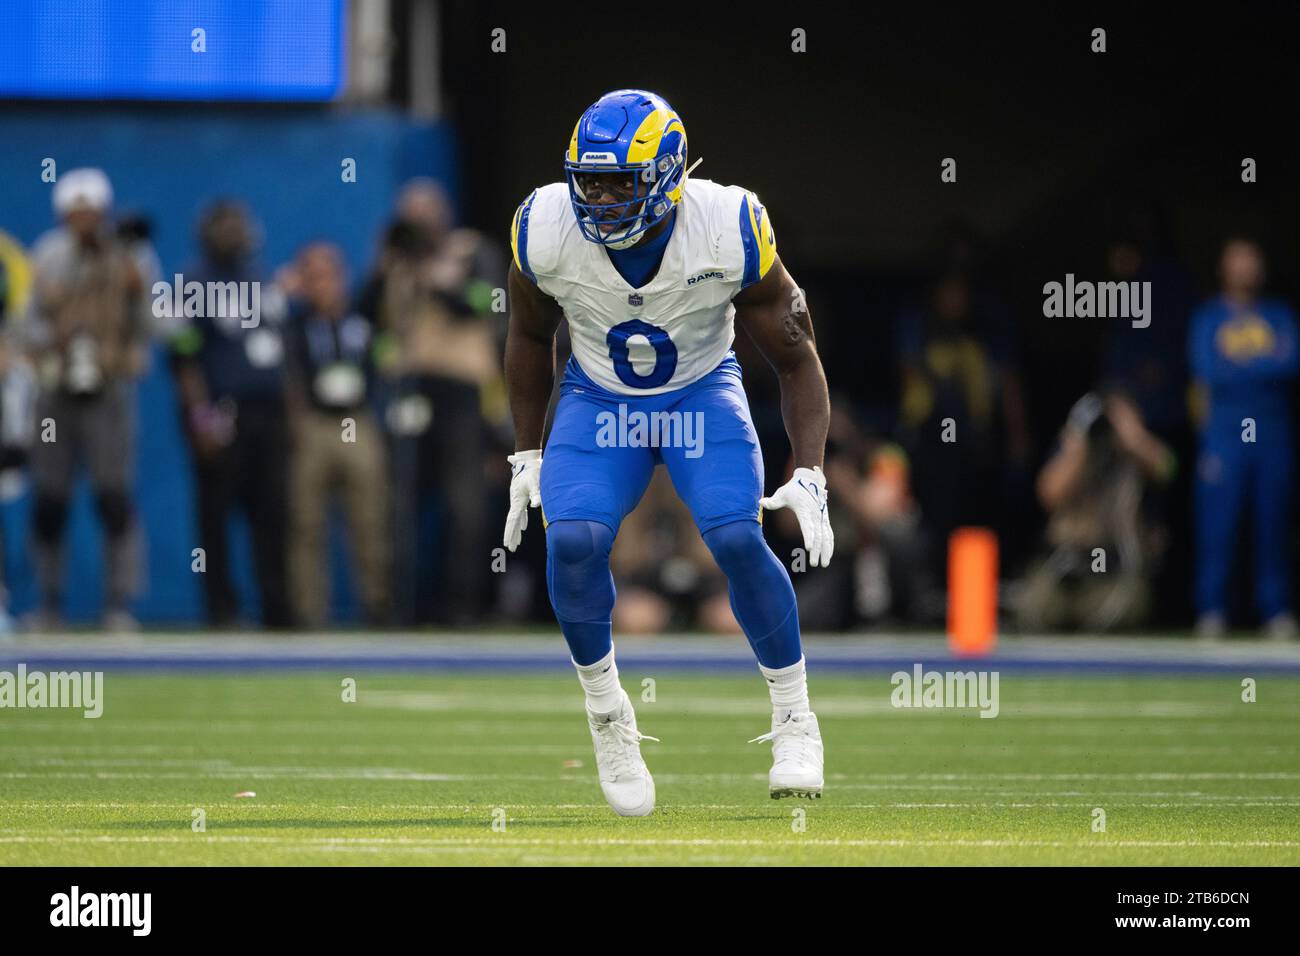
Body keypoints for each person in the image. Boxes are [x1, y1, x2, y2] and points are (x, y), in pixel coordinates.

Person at [502, 90, 833, 815]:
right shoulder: (544, 225)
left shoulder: (729, 225)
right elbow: (529, 337)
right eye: (589, 181)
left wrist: (810, 471)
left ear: (669, 175)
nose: (601, 199)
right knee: (575, 540)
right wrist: (526, 454)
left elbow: (797, 355)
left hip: (698, 394)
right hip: (599, 400)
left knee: (738, 537)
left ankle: (794, 717)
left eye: (621, 180)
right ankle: (609, 716)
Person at [21, 168, 150, 631]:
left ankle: (119, 602)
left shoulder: (130, 257)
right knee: (50, 500)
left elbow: (153, 324)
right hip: (57, 390)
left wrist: (136, 297)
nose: (84, 220)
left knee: (113, 497)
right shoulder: (48, 255)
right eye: (76, 212)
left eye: (91, 212)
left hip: (108, 390)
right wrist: (54, 338)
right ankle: (48, 601)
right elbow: (26, 325)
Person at [170, 200, 294, 628]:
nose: (235, 233)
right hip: (221, 413)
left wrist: (291, 415)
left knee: (273, 512)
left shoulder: (262, 280)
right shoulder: (193, 283)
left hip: (269, 413)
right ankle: (221, 609)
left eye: (239, 224)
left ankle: (277, 607)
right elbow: (183, 360)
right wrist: (201, 418)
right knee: (216, 515)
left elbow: (284, 352)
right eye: (226, 226)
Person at [1189, 238, 1298, 639]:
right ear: (1223, 268)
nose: (1246, 269)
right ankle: (1212, 608)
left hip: (1273, 433)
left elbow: (1290, 362)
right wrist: (1259, 365)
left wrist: (1239, 365)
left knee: (1273, 521)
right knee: (1218, 522)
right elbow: (1208, 370)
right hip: (1224, 433)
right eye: (1238, 261)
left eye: (1253, 261)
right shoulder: (1208, 319)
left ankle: (1276, 608)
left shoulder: (1279, 315)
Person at [283, 242, 390, 626]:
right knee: (306, 521)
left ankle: (377, 607)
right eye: (311, 277)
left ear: (341, 278)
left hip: (357, 419)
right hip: (314, 422)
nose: (321, 285)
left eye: (327, 275)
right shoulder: (293, 323)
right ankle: (309, 613)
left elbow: (387, 358)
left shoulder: (362, 318)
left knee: (369, 517)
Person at [1017, 390, 1174, 632]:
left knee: (1125, 609)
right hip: (1067, 566)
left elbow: (1167, 468)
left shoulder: (1133, 455)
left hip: (1113, 571)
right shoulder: (1073, 449)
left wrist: (1134, 437)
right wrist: (1078, 448)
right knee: (1035, 608)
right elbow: (1048, 494)